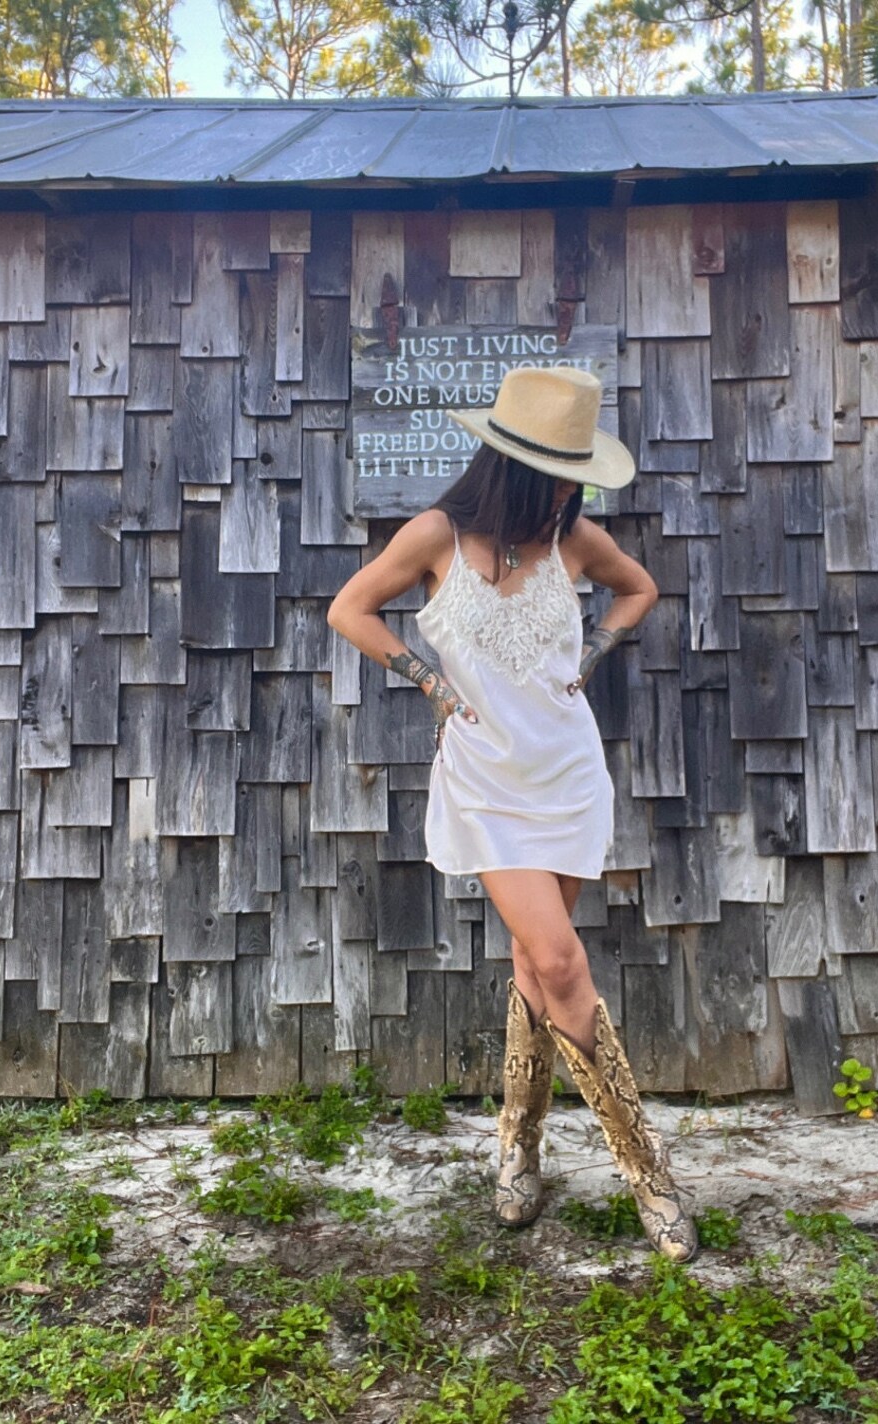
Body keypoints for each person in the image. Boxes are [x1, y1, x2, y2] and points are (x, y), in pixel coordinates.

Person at [327, 366, 697, 1263]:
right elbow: (351, 608)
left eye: (581, 472)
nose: (577, 487)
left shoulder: (574, 541)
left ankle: (518, 1148)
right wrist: (427, 681)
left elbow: (637, 589)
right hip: (488, 785)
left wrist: (599, 650)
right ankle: (650, 1176)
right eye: (565, 471)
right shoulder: (436, 536)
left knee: (540, 963)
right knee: (562, 958)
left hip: (568, 776)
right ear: (518, 465)